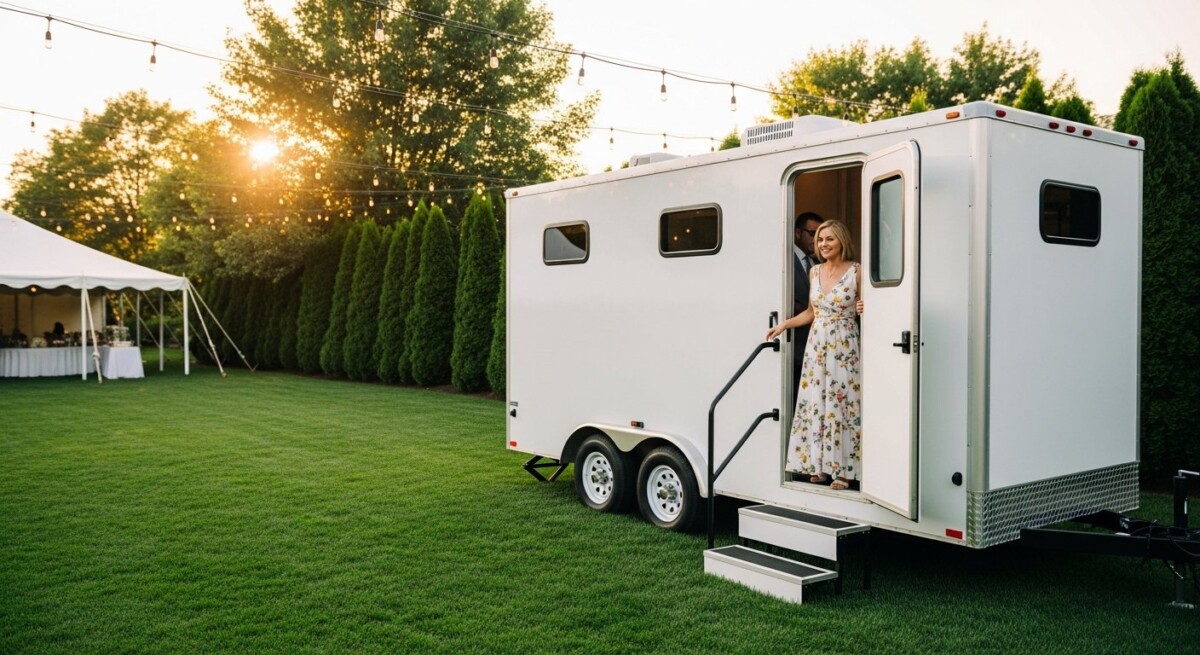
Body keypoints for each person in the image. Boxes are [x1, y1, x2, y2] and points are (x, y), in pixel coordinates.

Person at [766, 219, 863, 491]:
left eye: (829, 238)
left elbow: (869, 308)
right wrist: (784, 325)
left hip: (844, 346)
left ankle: (843, 471)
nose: (823, 244)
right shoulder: (814, 271)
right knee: (817, 403)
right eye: (820, 239)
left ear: (842, 240)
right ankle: (819, 465)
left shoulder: (857, 271)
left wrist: (866, 307)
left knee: (842, 403)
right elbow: (811, 312)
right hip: (817, 346)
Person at [791, 212, 823, 409]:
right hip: (794, 343)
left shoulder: (817, 264)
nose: (816, 240)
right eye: (812, 234)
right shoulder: (786, 259)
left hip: (813, 345)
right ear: (797, 233)